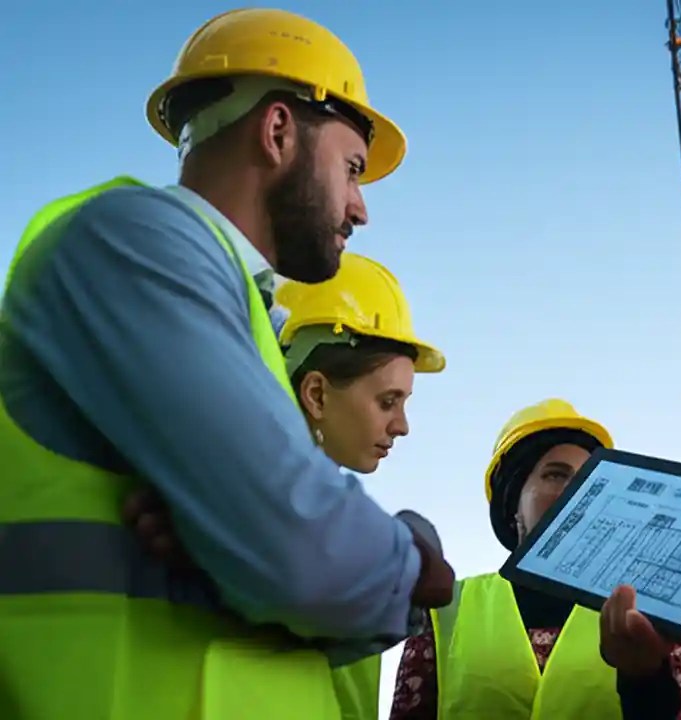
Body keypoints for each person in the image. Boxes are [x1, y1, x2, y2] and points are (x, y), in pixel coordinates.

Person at [0, 9, 454, 719]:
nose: (360, 208)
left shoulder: (233, 307)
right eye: (352, 170)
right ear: (277, 132)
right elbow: (303, 547)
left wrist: (241, 548)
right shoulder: (133, 243)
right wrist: (414, 553)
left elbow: (289, 538)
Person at [125, 251, 446, 720]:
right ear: (316, 393)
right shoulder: (226, 496)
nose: (402, 426)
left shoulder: (317, 512)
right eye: (387, 401)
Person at [390, 399, 681, 719]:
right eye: (556, 475)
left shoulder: (646, 611)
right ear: (514, 503)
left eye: (591, 481)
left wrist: (647, 682)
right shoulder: (445, 609)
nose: (577, 493)